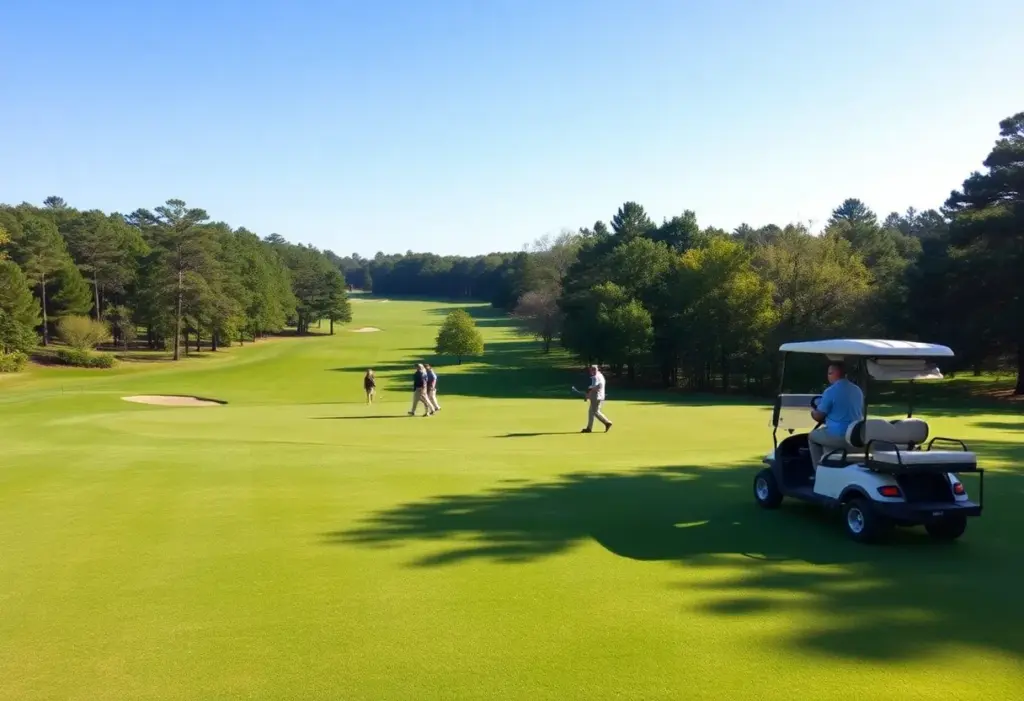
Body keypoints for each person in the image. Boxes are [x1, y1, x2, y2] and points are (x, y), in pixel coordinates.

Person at [807, 362, 864, 467]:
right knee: (825, 437)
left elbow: (819, 415)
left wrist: (812, 413)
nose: (828, 376)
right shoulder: (857, 390)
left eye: (829, 373)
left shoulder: (830, 391)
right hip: (856, 436)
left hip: (839, 436)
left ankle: (818, 471)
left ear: (836, 374)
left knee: (812, 437)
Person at [581, 364, 612, 433]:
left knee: (595, 412)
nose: (593, 371)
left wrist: (587, 394)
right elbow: (597, 386)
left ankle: (607, 422)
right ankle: (589, 428)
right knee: (591, 412)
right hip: (600, 396)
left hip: (596, 396)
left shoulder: (595, 377)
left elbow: (594, 387)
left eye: (593, 370)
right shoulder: (600, 376)